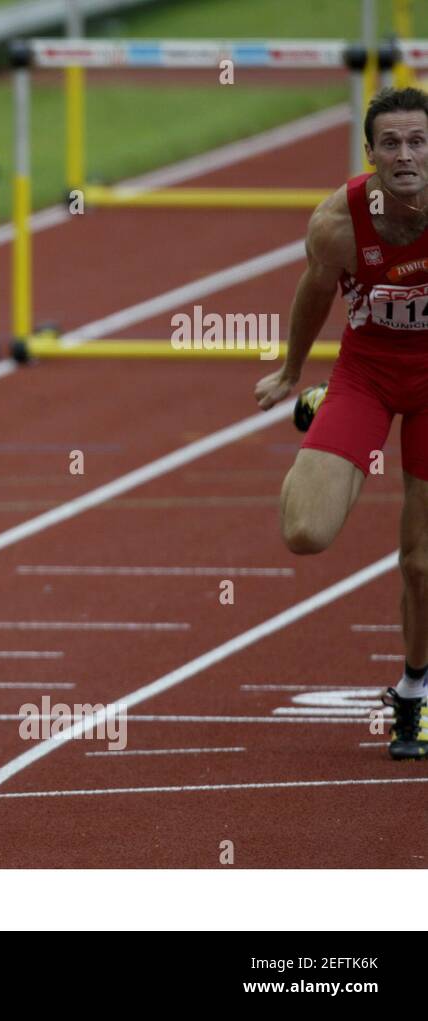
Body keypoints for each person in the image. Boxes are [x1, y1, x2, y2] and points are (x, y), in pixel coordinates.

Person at [256, 87, 428, 760]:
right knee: (306, 532)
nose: (406, 155)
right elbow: (313, 293)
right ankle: (322, 407)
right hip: (366, 373)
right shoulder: (338, 222)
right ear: (371, 153)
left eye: (418, 141)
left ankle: (415, 691)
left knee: (420, 564)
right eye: (392, 143)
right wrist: (289, 372)